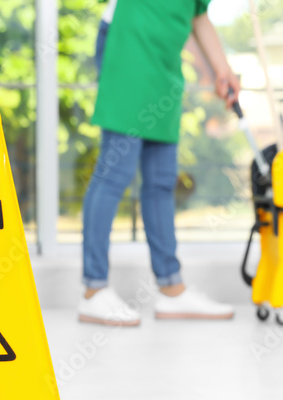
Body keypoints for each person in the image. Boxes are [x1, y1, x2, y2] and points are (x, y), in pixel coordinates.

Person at [78, 0, 240, 326]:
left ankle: (171, 288)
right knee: (115, 172)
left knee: (162, 178)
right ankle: (94, 291)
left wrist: (222, 68)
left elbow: (198, 14)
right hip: (129, 43)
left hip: (165, 59)